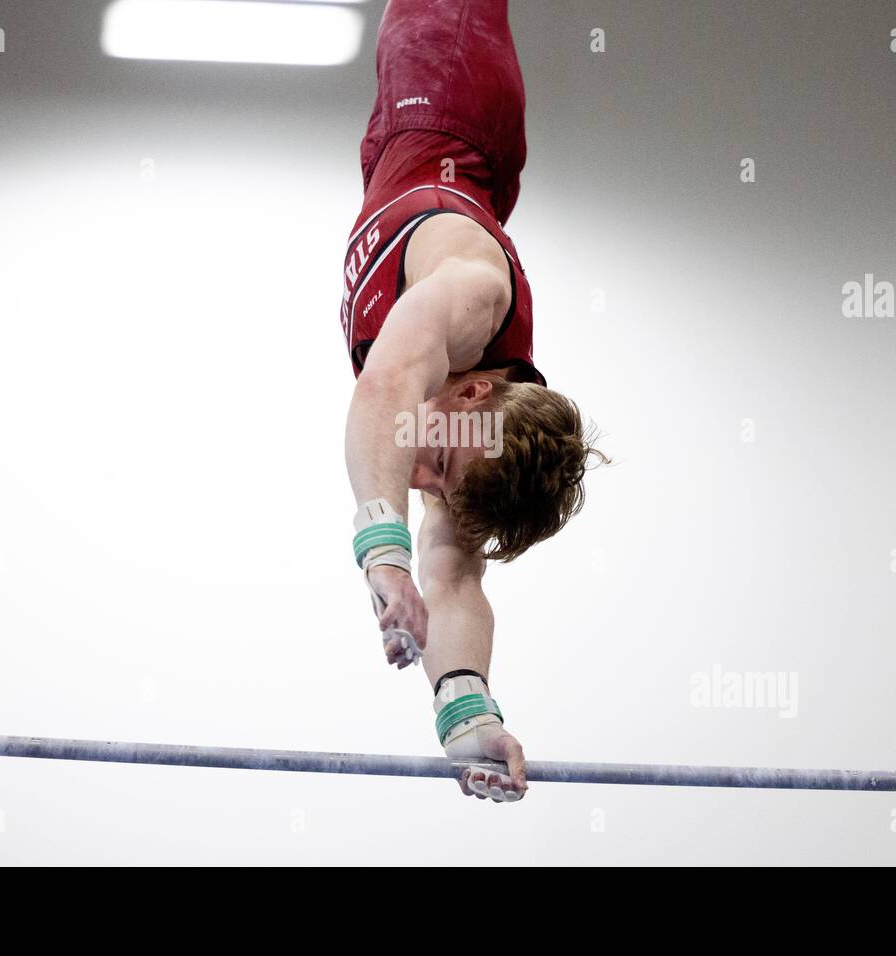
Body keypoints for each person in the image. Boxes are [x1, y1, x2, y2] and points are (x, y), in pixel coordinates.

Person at [339, 0, 604, 803]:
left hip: (408, 151)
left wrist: (466, 712)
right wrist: (384, 559)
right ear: (479, 387)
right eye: (443, 460)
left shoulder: (468, 437)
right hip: (450, 85)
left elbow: (452, 578)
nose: (424, 479)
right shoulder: (469, 296)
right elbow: (385, 388)